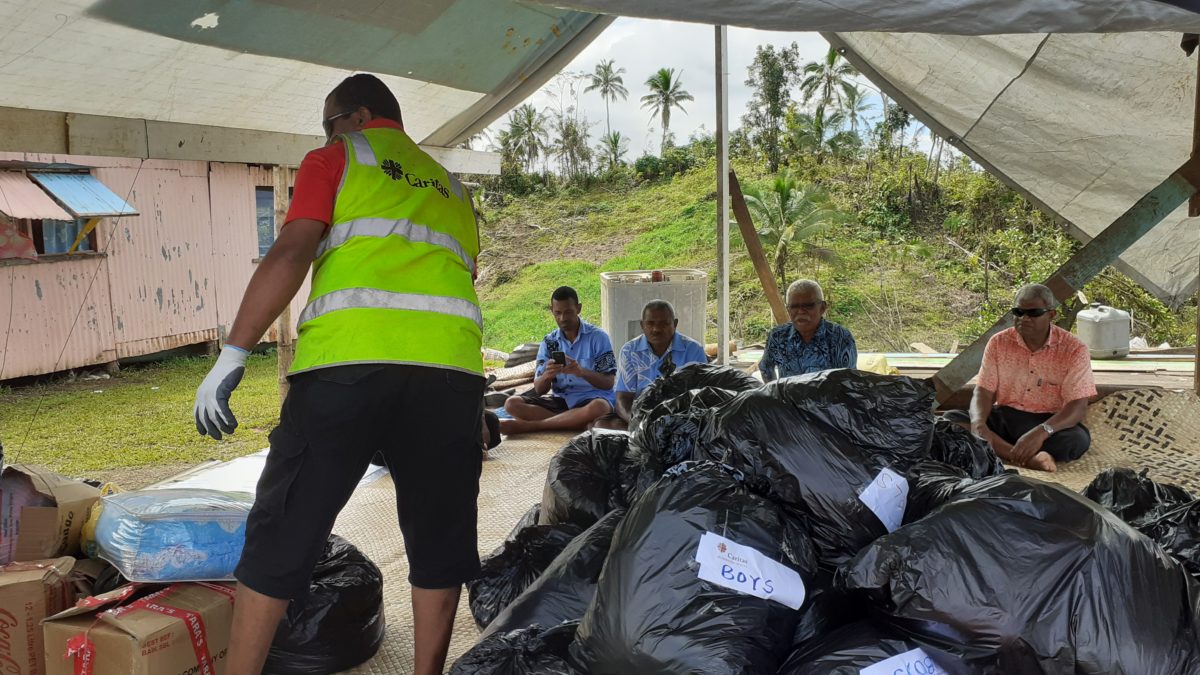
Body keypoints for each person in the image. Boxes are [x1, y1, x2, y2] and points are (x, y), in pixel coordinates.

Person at [192, 74, 484, 675]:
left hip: (346, 366)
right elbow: (458, 277)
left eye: (329, 124)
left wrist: (233, 353)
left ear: (357, 117)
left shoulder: (338, 157)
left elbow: (292, 251)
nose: (326, 135)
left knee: (283, 529)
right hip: (449, 374)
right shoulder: (454, 189)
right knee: (439, 538)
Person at [966, 283, 1096, 472]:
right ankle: (1027, 458)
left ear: (1051, 315)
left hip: (1049, 421)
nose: (1024, 319)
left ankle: (999, 449)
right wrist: (979, 424)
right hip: (1006, 416)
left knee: (1077, 440)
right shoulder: (998, 342)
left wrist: (1042, 432)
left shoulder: (1074, 349)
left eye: (1033, 313)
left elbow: (1078, 406)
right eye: (1018, 312)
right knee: (953, 420)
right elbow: (984, 391)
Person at [500, 286, 616, 434]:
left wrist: (581, 372)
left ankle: (533, 426)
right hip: (561, 401)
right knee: (512, 404)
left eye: (568, 312)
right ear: (551, 310)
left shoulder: (598, 337)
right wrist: (547, 375)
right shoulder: (549, 342)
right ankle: (576, 422)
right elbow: (539, 389)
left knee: (600, 407)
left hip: (592, 398)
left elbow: (608, 383)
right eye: (558, 313)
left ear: (578, 308)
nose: (563, 318)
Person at [594, 299, 708, 430]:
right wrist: (639, 425)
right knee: (601, 425)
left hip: (680, 416)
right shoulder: (630, 350)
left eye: (664, 323)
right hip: (641, 417)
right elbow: (623, 398)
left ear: (675, 324)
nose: (656, 329)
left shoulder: (693, 350)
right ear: (642, 325)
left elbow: (702, 396)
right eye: (650, 323)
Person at [759, 279, 857, 381]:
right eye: (794, 307)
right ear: (788, 310)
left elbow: (849, 379)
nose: (800, 311)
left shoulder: (840, 337)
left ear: (822, 308)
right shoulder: (777, 336)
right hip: (787, 392)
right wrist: (775, 389)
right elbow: (765, 368)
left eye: (808, 306)